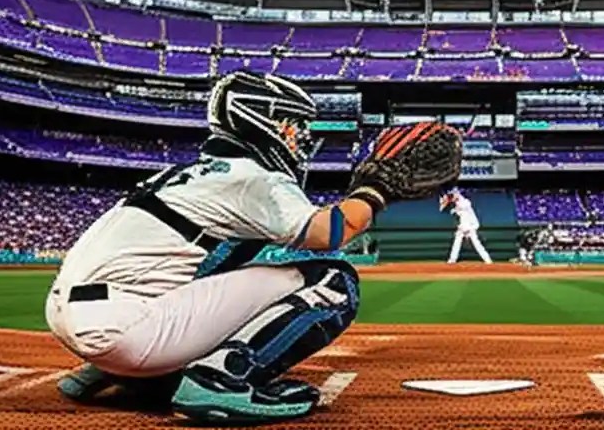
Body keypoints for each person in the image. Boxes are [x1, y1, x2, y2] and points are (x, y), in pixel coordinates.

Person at [47, 71, 462, 424]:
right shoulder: (255, 178)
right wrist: (376, 188)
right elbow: (330, 232)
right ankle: (220, 379)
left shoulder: (189, 173)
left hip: (75, 314)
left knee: (228, 260)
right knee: (333, 279)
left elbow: (230, 256)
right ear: (262, 121)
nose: (301, 138)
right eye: (293, 125)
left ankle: (112, 373)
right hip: (128, 330)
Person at [441, 188, 493, 264]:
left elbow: (455, 204)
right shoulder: (456, 205)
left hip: (471, 226)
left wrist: (447, 202)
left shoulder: (465, 202)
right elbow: (448, 207)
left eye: (454, 195)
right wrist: (447, 202)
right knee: (457, 241)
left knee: (476, 243)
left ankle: (488, 260)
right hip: (464, 226)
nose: (453, 197)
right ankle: (452, 260)